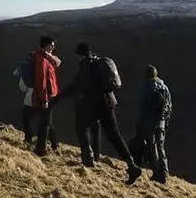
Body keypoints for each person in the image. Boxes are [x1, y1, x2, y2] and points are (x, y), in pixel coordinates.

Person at [60, 42, 141, 183]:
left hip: (95, 104)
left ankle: (88, 159)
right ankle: (132, 166)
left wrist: (58, 97)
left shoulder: (85, 66)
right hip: (109, 102)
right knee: (115, 136)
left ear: (80, 55)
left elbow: (76, 85)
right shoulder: (99, 62)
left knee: (81, 126)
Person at [131, 65, 172, 183]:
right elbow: (169, 106)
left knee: (152, 147)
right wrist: (165, 122)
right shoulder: (164, 87)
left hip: (150, 123)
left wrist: (140, 125)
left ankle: (156, 173)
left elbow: (144, 108)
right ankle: (164, 172)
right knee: (160, 147)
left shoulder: (148, 88)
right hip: (161, 122)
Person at [30, 36, 62, 156]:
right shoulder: (42, 59)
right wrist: (44, 99)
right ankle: (41, 149)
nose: (54, 47)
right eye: (52, 45)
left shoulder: (45, 57)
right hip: (46, 96)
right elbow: (41, 80)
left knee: (47, 120)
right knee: (45, 123)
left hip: (49, 94)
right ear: (46, 45)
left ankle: (54, 144)